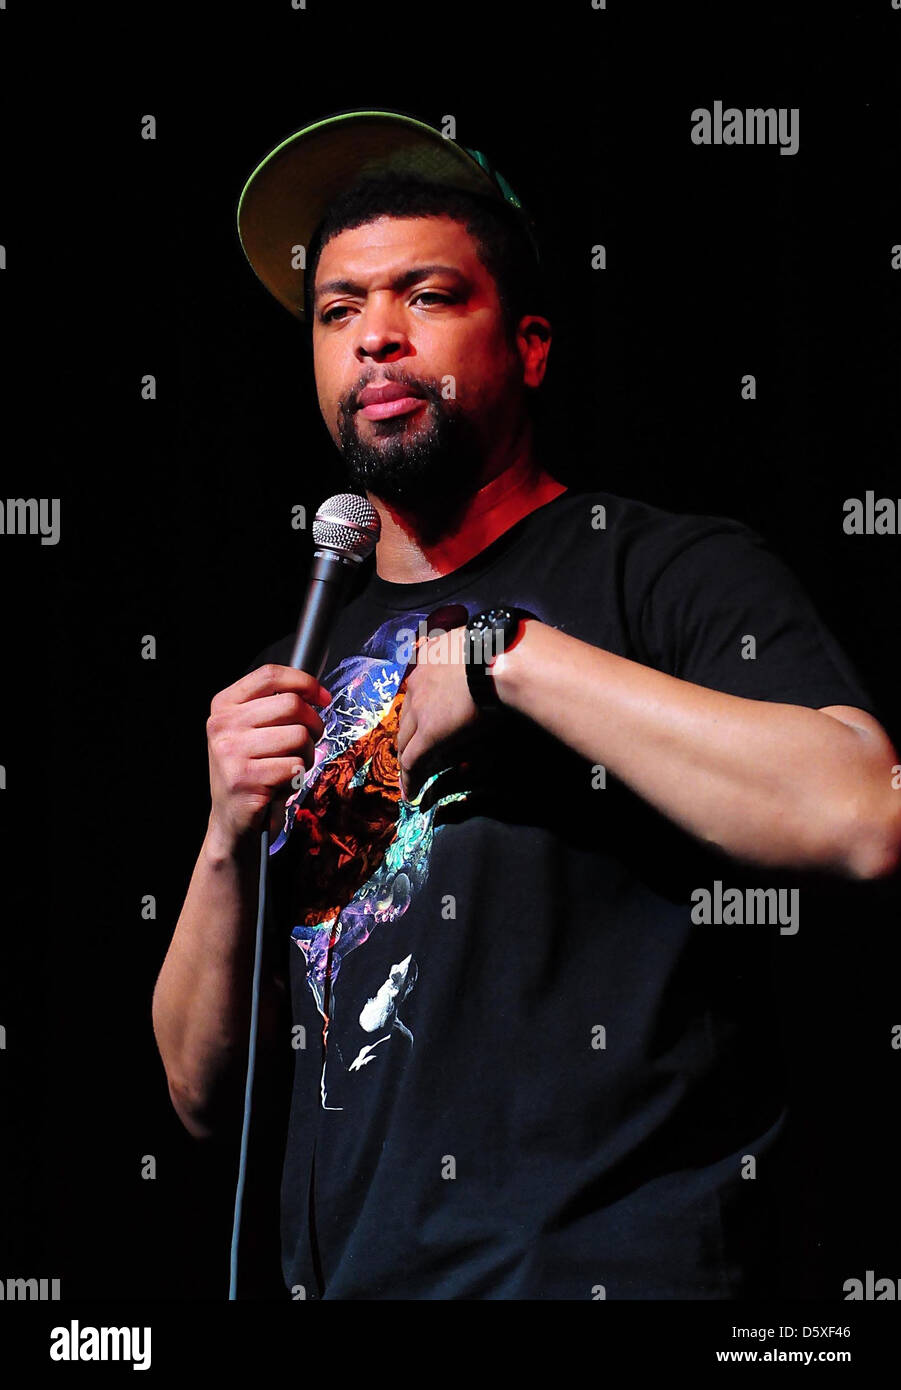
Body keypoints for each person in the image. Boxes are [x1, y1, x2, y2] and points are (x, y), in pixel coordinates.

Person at [152, 109, 901, 1300]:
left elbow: (861, 808)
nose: (374, 340)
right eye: (339, 312)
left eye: (426, 296)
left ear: (531, 345)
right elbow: (198, 1093)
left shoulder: (657, 570)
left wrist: (510, 659)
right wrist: (223, 836)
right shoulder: (298, 664)